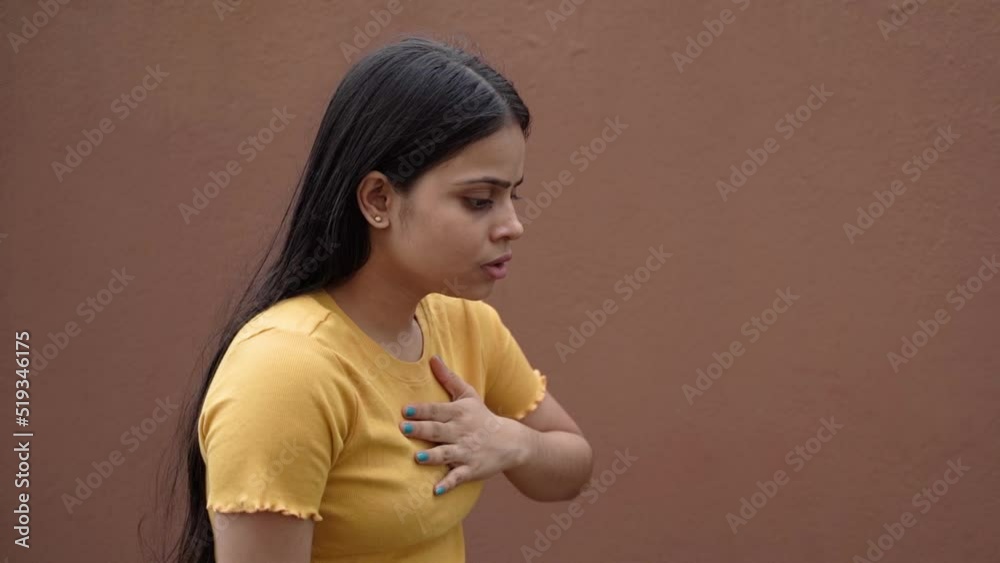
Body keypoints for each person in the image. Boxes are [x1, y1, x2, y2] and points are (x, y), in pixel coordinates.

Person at [151, 34, 593, 563]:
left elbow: (570, 468)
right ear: (378, 199)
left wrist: (510, 441)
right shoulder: (285, 371)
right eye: (479, 200)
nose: (512, 225)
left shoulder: (466, 324)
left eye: (512, 194)